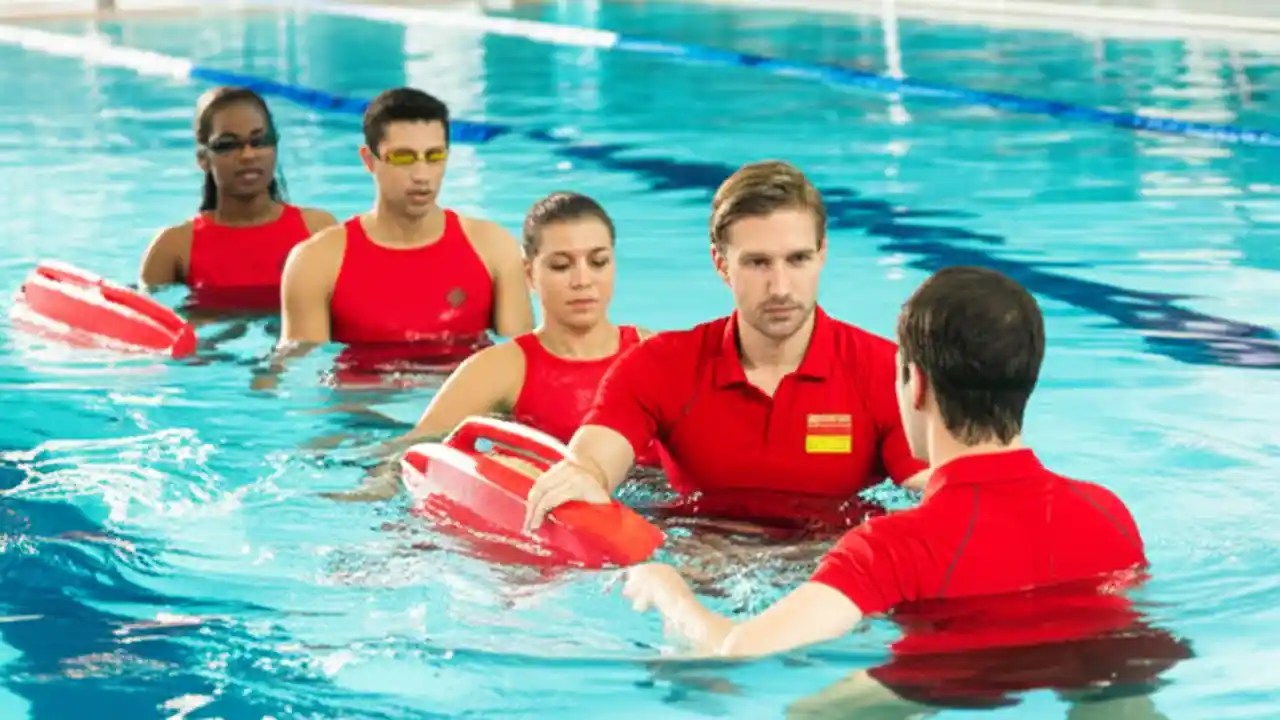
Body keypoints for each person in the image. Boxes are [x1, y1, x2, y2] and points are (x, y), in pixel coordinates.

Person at [617, 265, 1152, 661]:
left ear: (914, 384)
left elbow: (738, 650)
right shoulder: (1109, 513)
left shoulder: (891, 549)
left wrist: (672, 593)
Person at [522, 160, 928, 534]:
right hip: (702, 566)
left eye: (798, 259)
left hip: (831, 578)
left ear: (822, 255)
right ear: (720, 264)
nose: (781, 287)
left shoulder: (882, 370)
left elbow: (936, 487)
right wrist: (584, 475)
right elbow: (593, 461)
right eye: (757, 263)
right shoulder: (662, 365)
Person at [278, 87, 533, 361]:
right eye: (403, 157)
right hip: (359, 403)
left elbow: (522, 364)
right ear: (368, 160)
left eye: (434, 156)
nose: (422, 175)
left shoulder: (493, 247)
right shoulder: (316, 261)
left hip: (465, 403)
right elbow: (299, 377)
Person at [139, 86, 337, 311]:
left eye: (259, 141)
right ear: (203, 159)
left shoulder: (318, 231)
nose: (248, 155)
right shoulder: (173, 248)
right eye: (228, 145)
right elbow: (150, 327)